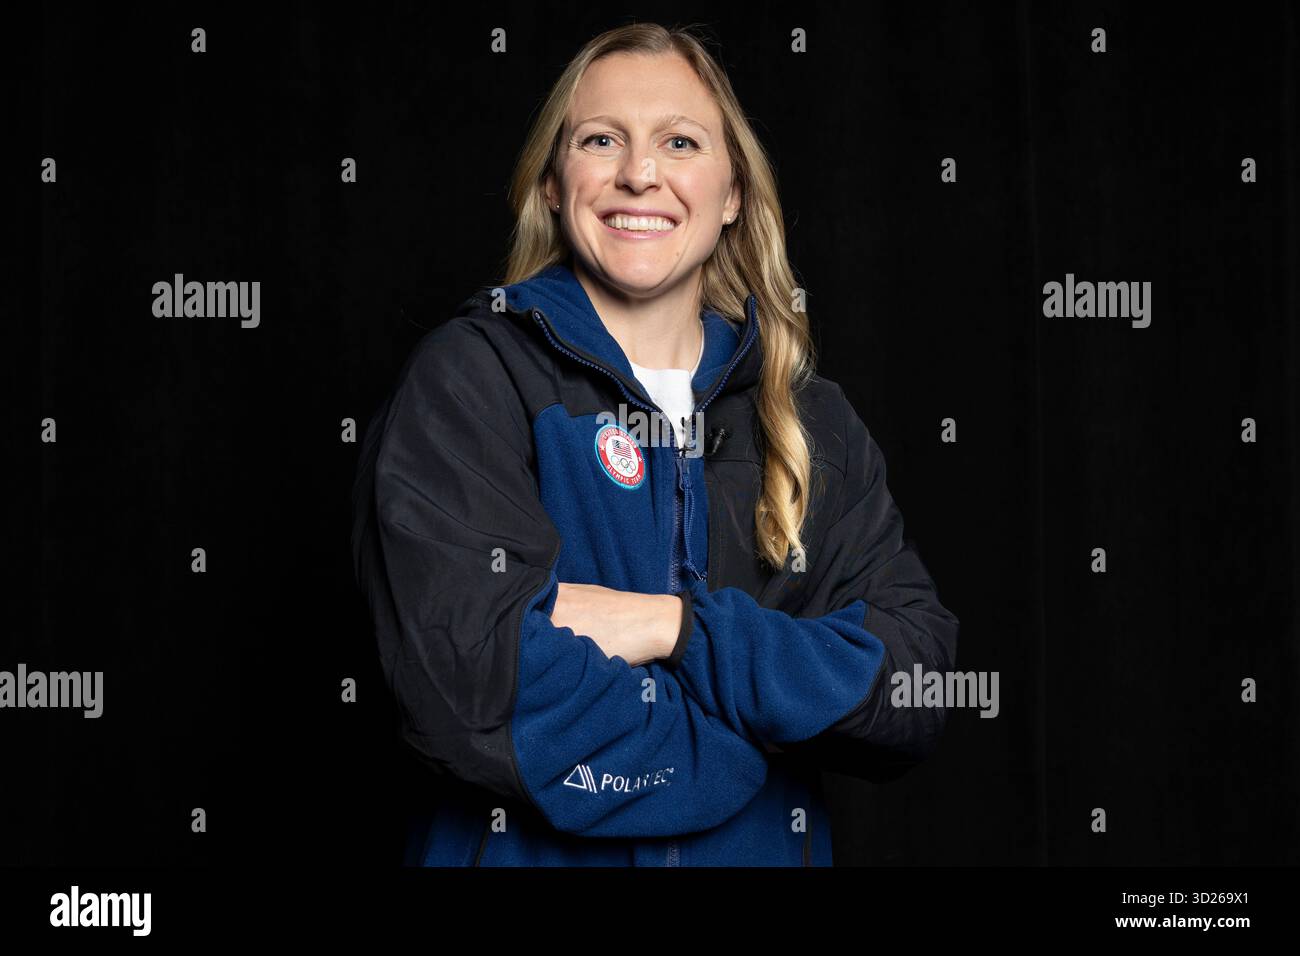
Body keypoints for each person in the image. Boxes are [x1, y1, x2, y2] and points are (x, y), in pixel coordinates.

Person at [350, 22, 959, 866]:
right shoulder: (470, 382)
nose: (640, 173)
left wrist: (674, 629)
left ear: (733, 191)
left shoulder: (812, 420)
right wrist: (752, 736)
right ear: (557, 186)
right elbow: (473, 683)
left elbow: (915, 683)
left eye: (679, 141)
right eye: (602, 140)